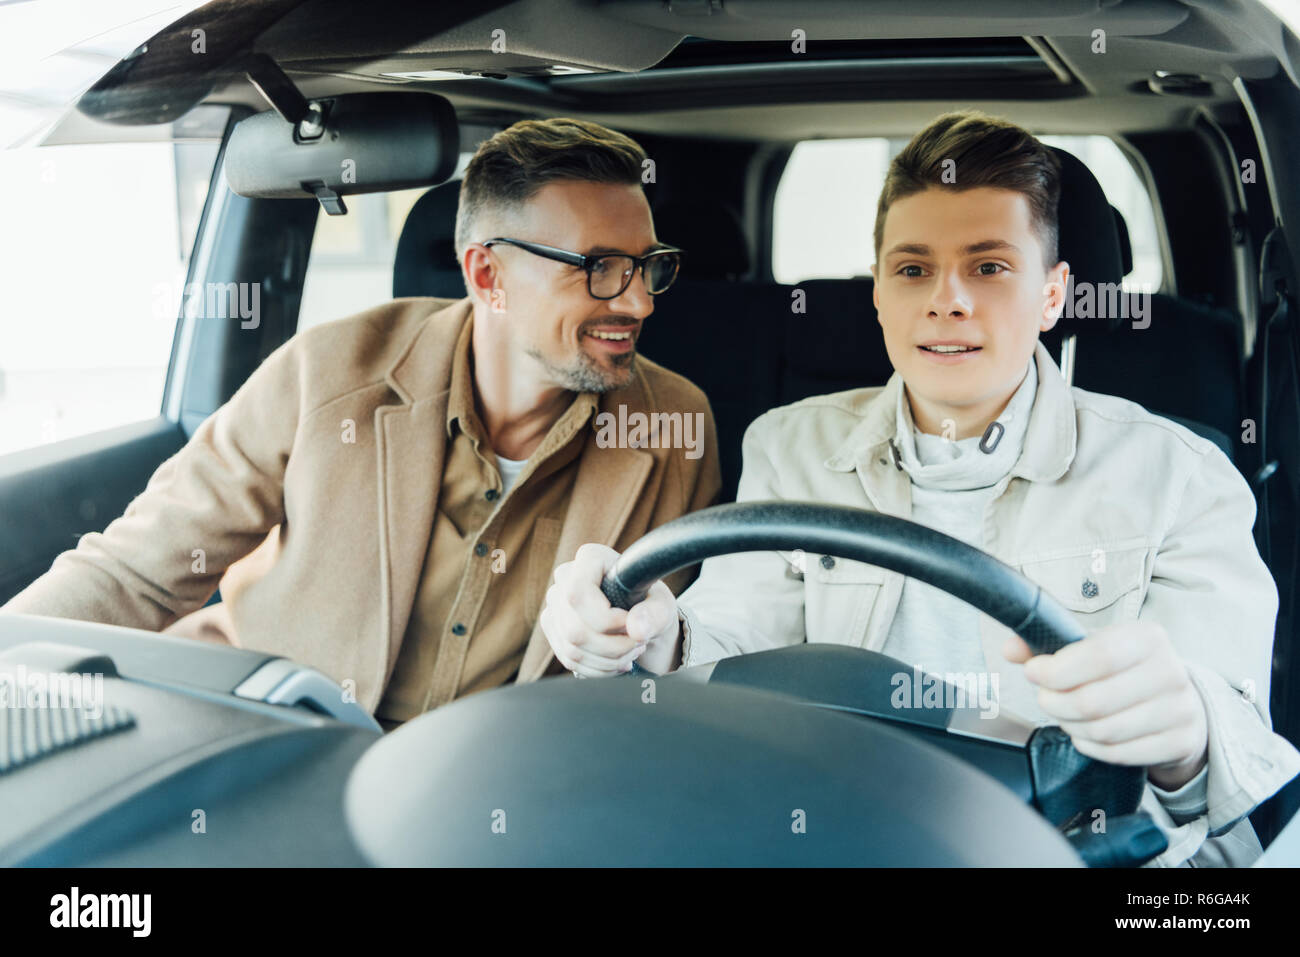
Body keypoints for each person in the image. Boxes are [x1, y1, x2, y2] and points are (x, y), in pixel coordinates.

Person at [539, 110, 1300, 866]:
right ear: (877, 291)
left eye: (989, 266)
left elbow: (1230, 754)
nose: (948, 299)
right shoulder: (790, 443)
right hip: (833, 831)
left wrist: (1182, 732)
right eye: (912, 269)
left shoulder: (1181, 475)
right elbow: (735, 636)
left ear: (1053, 293)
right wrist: (649, 629)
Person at [3, 117, 721, 731]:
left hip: (507, 793)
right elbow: (136, 572)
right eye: (598, 267)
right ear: (486, 276)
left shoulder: (674, 427)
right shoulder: (329, 371)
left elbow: (680, 657)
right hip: (280, 740)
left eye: (647, 266)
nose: (637, 303)